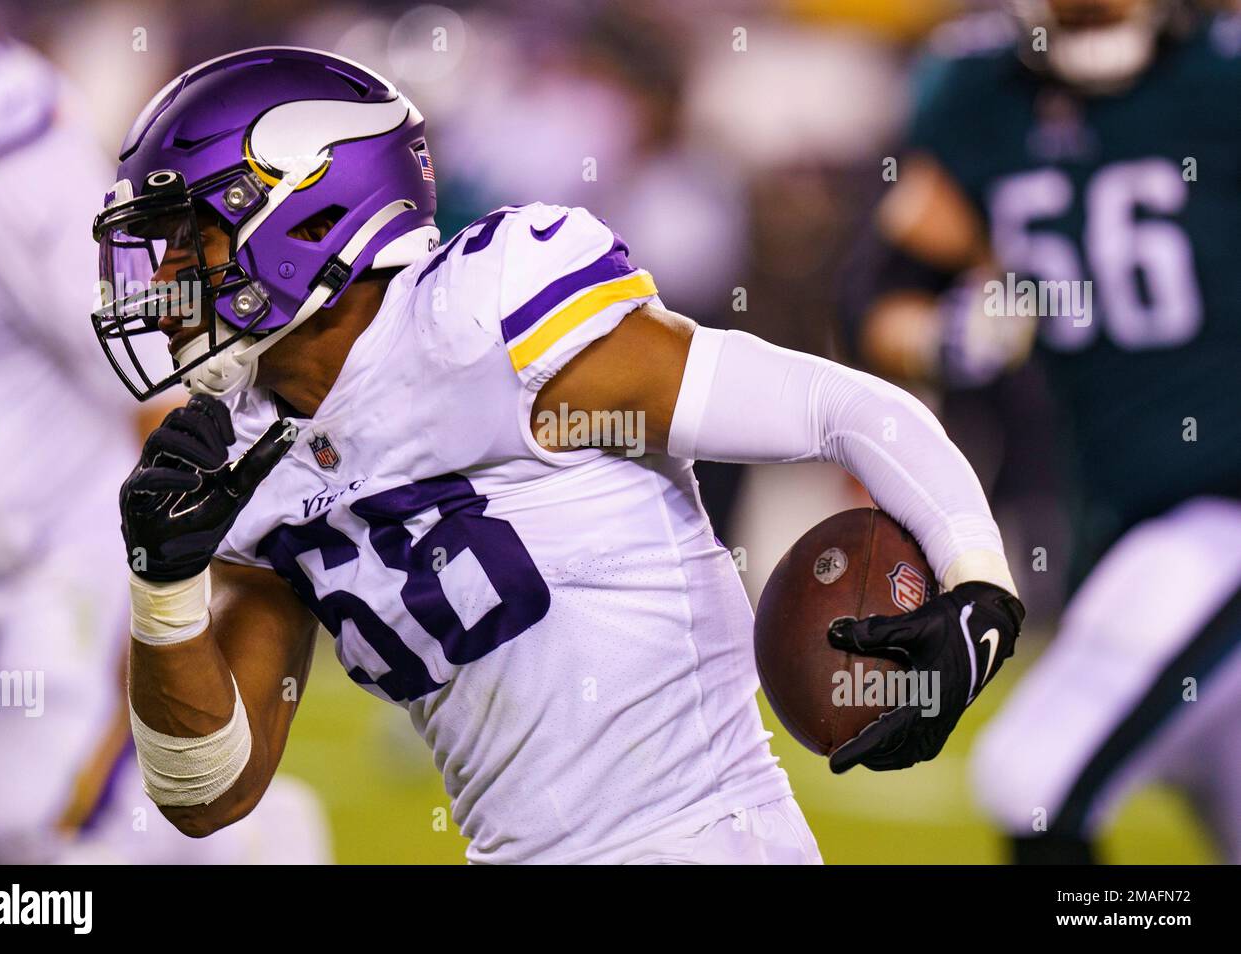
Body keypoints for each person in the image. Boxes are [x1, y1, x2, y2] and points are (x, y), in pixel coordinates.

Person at [95, 46, 1024, 865]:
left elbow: (837, 405)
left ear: (305, 217)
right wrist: (163, 590)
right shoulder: (251, 457)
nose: (167, 277)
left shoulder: (486, 322)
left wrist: (978, 584)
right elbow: (208, 793)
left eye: (191, 237)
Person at [846, 0, 1241, 862]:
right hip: (1122, 525)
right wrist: (948, 335)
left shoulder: (1222, 76)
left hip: (1222, 519)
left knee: (1033, 783)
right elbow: (877, 302)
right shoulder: (981, 89)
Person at [0, 30, 328, 864]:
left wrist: (181, 560)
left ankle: (260, 850)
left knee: (42, 825)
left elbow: (140, 363)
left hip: (53, 552)